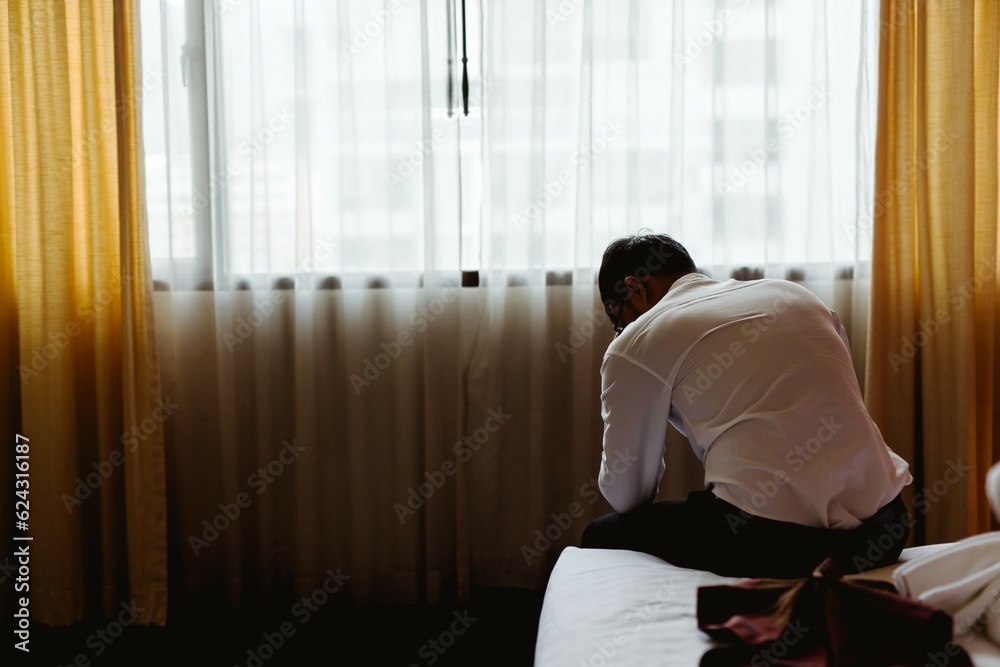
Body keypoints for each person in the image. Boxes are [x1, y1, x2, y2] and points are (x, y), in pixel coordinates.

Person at [580, 232, 913, 578]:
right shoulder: (793, 294)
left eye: (619, 319)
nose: (623, 330)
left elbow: (627, 495)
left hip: (777, 542)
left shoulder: (636, 341)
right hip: (887, 525)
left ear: (636, 288)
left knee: (600, 534)